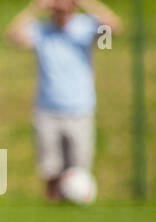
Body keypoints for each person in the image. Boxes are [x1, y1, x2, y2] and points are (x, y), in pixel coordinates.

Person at [8, 0, 122, 200]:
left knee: (79, 173)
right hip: (47, 111)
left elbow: (115, 28)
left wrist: (87, 3)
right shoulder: (41, 30)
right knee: (50, 172)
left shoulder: (86, 26)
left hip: (80, 110)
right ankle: (52, 215)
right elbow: (12, 36)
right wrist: (35, 8)